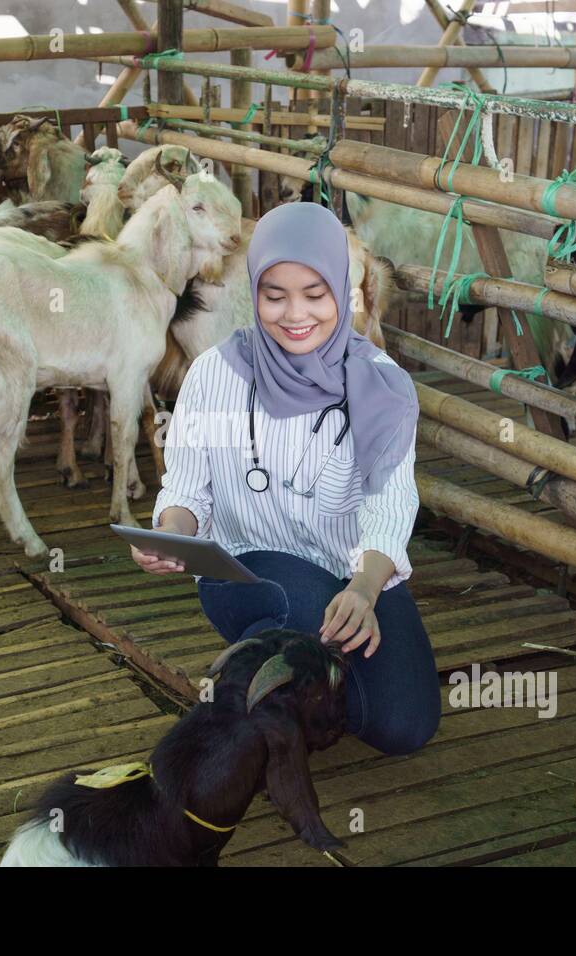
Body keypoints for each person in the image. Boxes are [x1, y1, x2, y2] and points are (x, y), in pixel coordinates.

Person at [130, 201, 439, 756]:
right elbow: (187, 486)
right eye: (275, 295)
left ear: (343, 290)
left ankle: (282, 698)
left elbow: (390, 506)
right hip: (244, 567)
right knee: (299, 605)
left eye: (315, 294)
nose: (295, 314)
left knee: (404, 726)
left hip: (349, 572)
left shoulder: (383, 385)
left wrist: (366, 590)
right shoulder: (215, 373)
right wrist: (173, 534)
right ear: (254, 293)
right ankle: (235, 723)